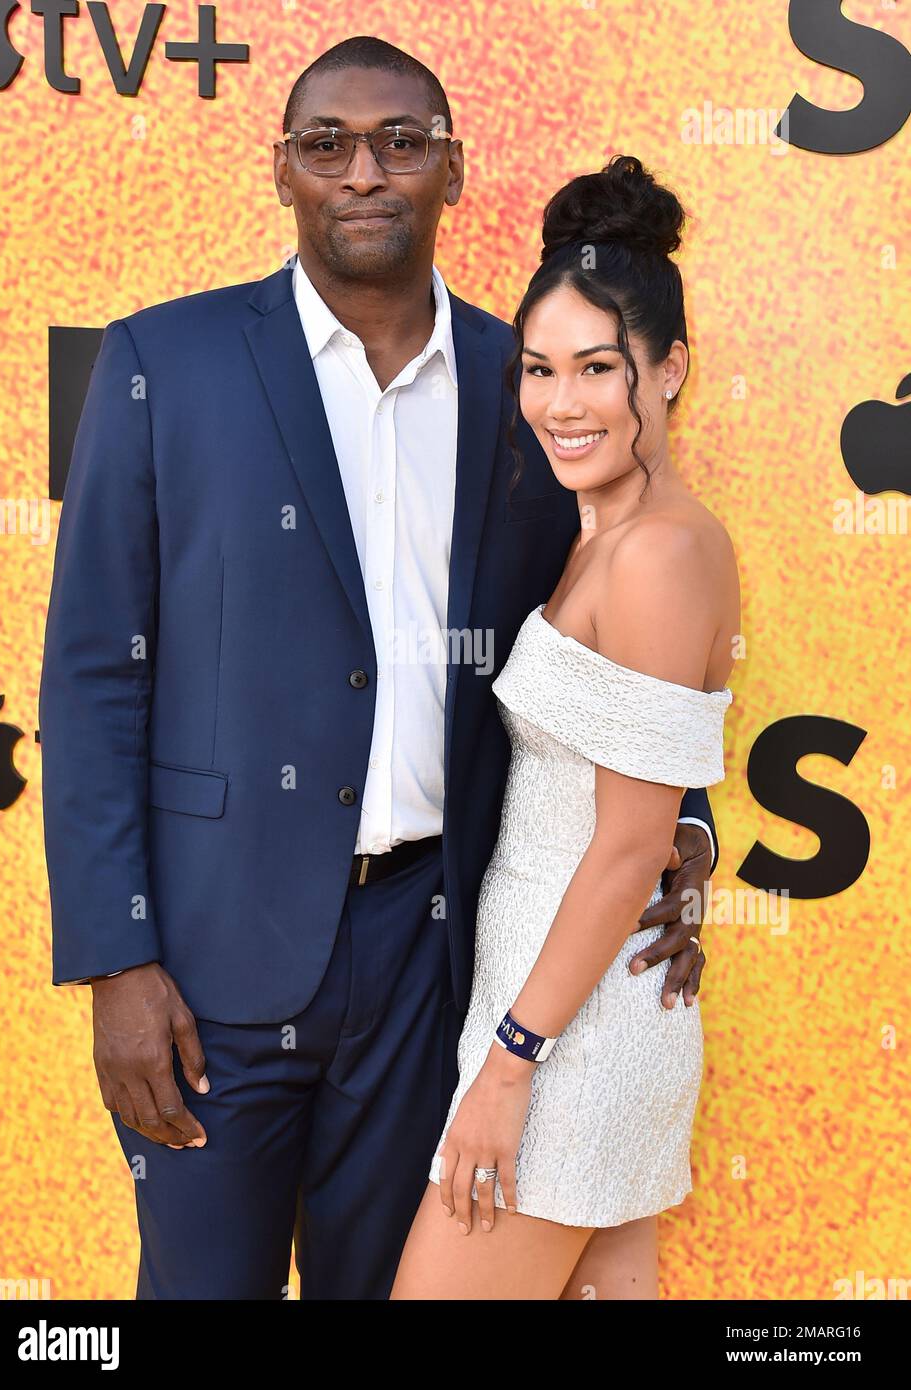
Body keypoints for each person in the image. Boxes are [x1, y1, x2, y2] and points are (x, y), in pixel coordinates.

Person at [38, 38, 720, 1301]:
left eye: (402, 142)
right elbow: (91, 679)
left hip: (433, 963)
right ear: (281, 170)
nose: (365, 171)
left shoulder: (523, 387)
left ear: (452, 171)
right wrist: (114, 959)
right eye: (328, 144)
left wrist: (684, 820)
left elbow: (601, 649)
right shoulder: (161, 366)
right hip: (205, 966)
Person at [391, 155, 739, 1301]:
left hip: (563, 1041)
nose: (561, 402)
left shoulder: (658, 551)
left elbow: (629, 842)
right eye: (538, 369)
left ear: (669, 368)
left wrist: (509, 1066)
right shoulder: (606, 529)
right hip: (568, 1010)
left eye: (600, 368)